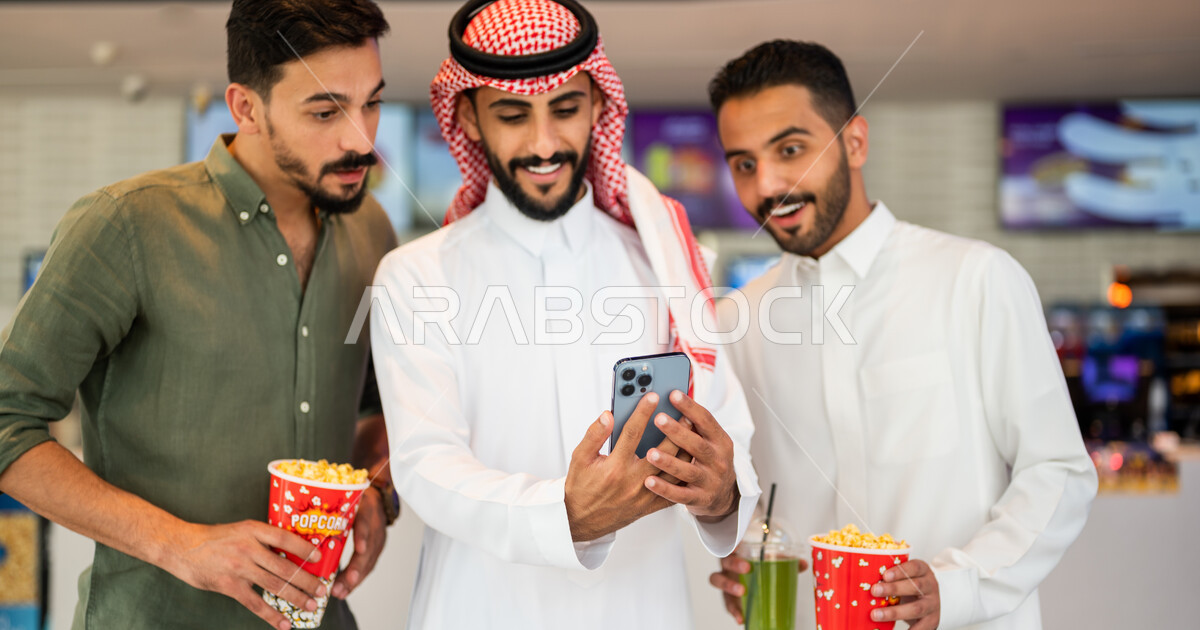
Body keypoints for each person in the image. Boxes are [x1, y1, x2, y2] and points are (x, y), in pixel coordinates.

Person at [0, 2, 400, 629]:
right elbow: (6, 421)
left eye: (371, 102)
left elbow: (382, 408)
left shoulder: (372, 230)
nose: (361, 139)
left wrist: (377, 489)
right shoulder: (125, 224)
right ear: (245, 107)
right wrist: (179, 544)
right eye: (326, 112)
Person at [368, 0, 761, 627]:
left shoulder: (666, 265)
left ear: (599, 107)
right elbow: (425, 465)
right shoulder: (416, 276)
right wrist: (566, 513)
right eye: (513, 115)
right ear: (468, 117)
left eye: (566, 109)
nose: (544, 143)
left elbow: (730, 439)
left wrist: (723, 494)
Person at [704, 41, 1098, 630]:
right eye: (744, 164)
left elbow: (1058, 471)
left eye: (791, 149)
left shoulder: (976, 279)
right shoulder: (739, 321)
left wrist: (958, 583)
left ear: (855, 142)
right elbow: (751, 500)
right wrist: (738, 552)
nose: (769, 185)